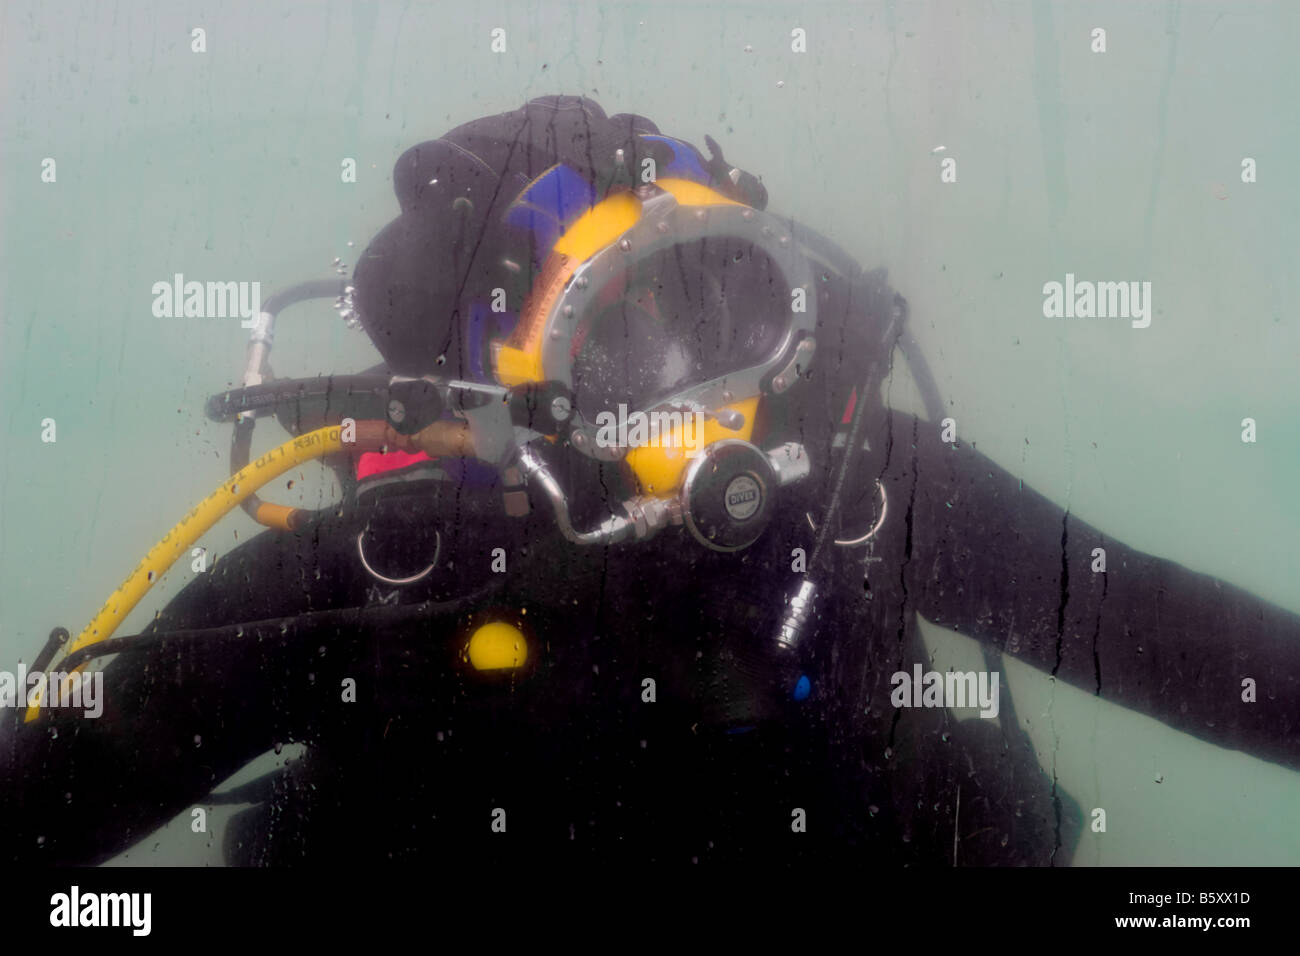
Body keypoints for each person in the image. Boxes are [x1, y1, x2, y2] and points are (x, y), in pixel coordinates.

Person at [3, 95, 1297, 867]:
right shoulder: (383, 576)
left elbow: (1181, 641)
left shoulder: (865, 493)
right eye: (628, 336)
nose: (708, 387)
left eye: (729, 303)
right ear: (495, 393)